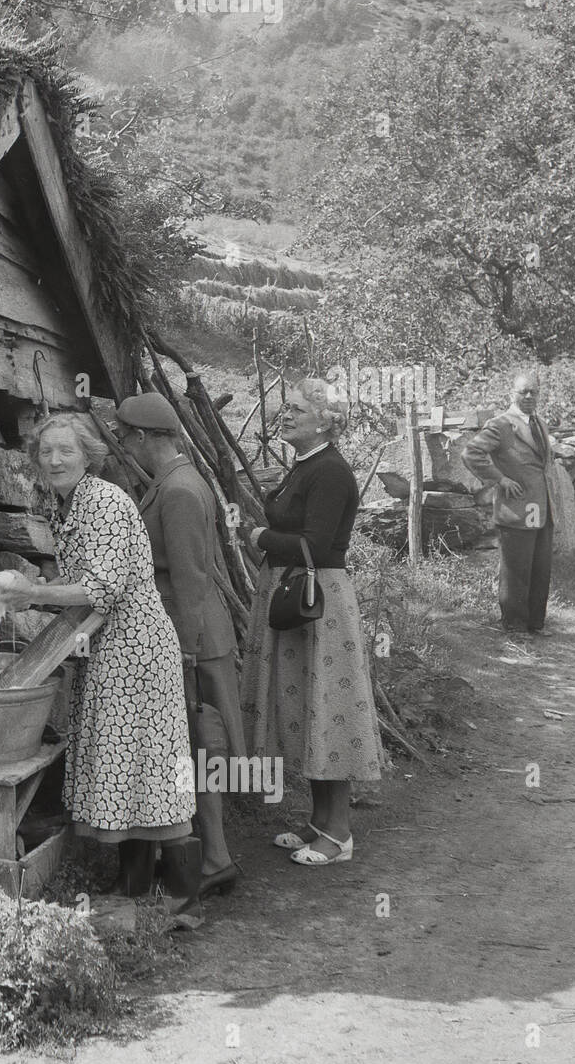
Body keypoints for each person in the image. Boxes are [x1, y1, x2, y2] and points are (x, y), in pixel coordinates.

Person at [0, 411, 195, 901]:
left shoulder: (102, 502)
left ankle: (181, 890)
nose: (55, 460)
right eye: (46, 452)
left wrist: (30, 596)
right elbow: (83, 578)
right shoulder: (69, 504)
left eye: (67, 451)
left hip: (135, 647)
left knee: (144, 761)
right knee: (125, 761)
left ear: (89, 455)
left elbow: (102, 587)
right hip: (109, 643)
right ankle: (135, 881)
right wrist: (42, 586)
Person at [240, 378, 383, 866]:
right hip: (295, 593)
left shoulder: (331, 471)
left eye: (297, 409)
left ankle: (339, 834)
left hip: (317, 599)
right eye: (286, 408)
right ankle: (319, 822)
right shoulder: (305, 465)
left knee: (328, 706)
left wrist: (259, 536)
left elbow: (318, 547)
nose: (286, 414)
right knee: (307, 705)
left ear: (326, 421)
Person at [114, 392, 242, 899]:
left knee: (198, 746)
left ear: (144, 438)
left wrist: (182, 651)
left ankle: (212, 859)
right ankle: (207, 856)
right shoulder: (177, 481)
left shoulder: (180, 492)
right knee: (192, 749)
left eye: (126, 437)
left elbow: (190, 579)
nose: (124, 446)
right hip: (189, 634)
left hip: (193, 639)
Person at [461, 371, 558, 634]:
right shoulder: (500, 425)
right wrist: (500, 479)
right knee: (516, 570)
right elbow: (471, 452)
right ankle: (514, 626)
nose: (529, 396)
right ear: (511, 394)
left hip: (541, 508)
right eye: (523, 391)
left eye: (533, 392)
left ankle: (536, 624)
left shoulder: (540, 423)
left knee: (540, 568)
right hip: (515, 509)